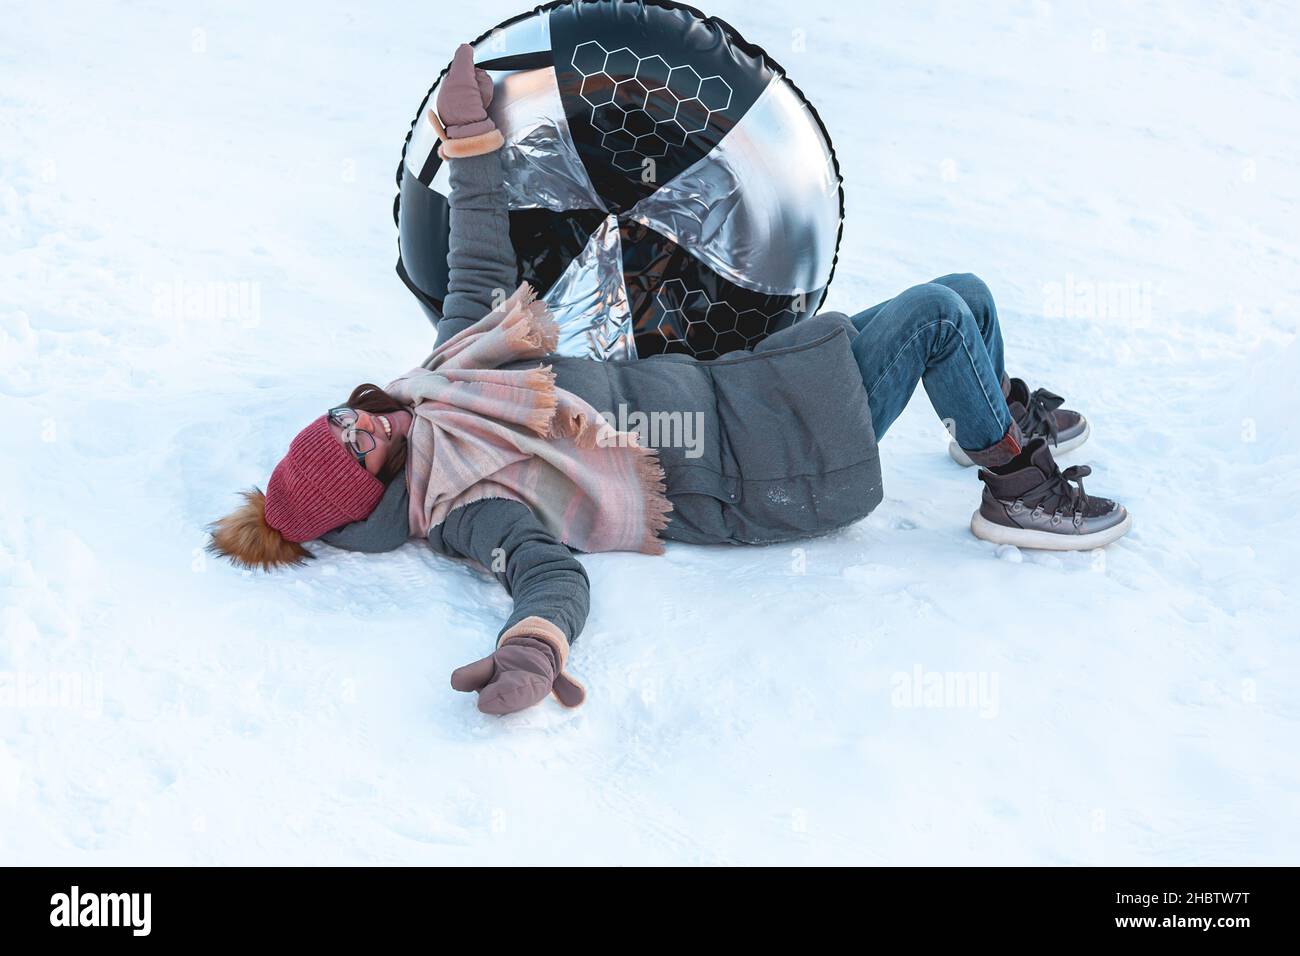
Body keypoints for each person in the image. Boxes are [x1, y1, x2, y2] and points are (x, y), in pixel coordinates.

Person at [209, 45, 1130, 716]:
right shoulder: (464, 504)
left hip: (742, 389)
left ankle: (987, 408)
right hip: (767, 458)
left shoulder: (451, 376)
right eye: (353, 449)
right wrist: (532, 648)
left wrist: (470, 135)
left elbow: (477, 258)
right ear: (369, 490)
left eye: (339, 422)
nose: (358, 425)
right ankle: (1015, 485)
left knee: (963, 294)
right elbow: (543, 572)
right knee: (936, 313)